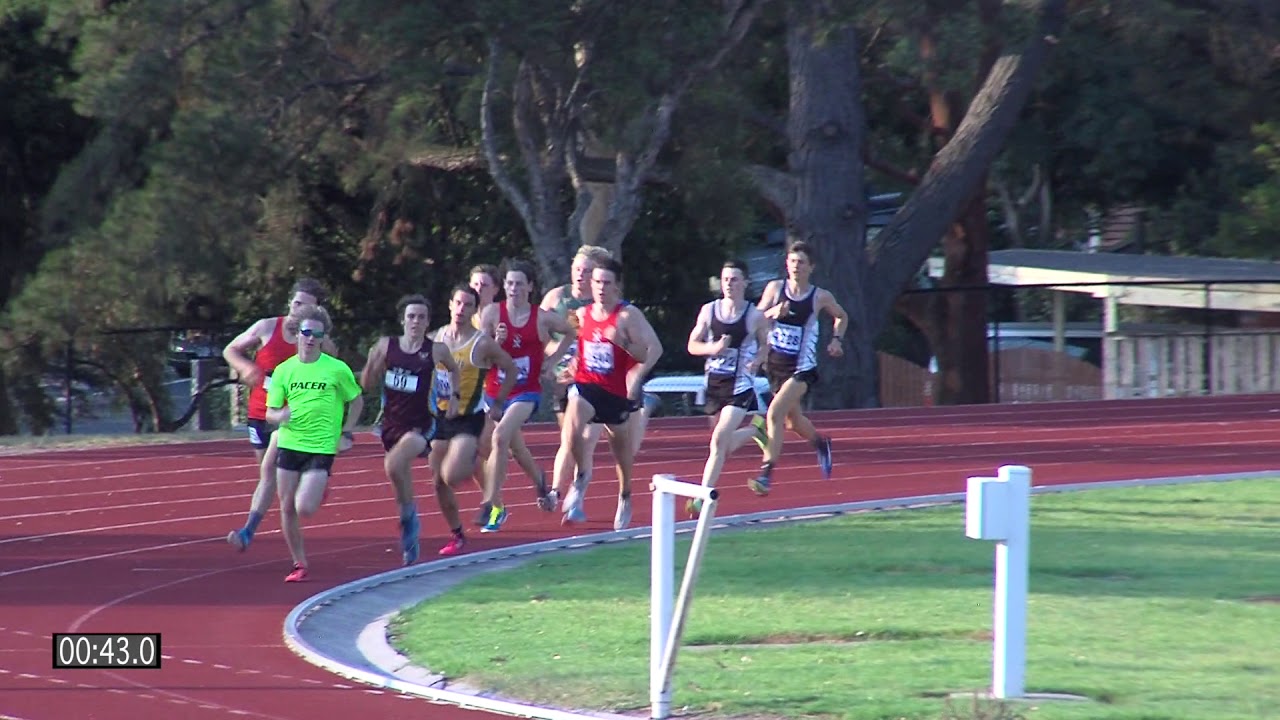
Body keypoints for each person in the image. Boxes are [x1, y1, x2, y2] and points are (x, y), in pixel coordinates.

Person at [541, 258, 663, 530]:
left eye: (607, 283)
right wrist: (562, 366)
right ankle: (582, 475)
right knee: (571, 428)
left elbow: (645, 352)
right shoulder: (582, 314)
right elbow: (577, 346)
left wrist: (623, 344)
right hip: (586, 385)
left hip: (616, 392)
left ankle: (625, 495)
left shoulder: (627, 316)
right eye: (597, 282)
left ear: (617, 286)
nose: (600, 287)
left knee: (622, 452)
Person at [222, 278, 340, 552]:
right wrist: (246, 367)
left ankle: (248, 531)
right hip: (260, 413)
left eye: (305, 307)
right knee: (270, 476)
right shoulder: (266, 327)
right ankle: (316, 475)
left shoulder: (317, 340)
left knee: (269, 471)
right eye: (296, 304)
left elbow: (334, 371)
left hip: (294, 418)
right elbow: (230, 349)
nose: (297, 311)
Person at [475, 259, 577, 532]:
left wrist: (553, 359)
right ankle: (540, 478)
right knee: (513, 447)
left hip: (526, 391)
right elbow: (480, 356)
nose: (514, 289)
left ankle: (494, 507)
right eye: (509, 283)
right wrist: (495, 343)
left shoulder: (541, 317)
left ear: (530, 286)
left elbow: (570, 331)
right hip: (496, 392)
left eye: (520, 283)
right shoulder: (491, 315)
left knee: (500, 437)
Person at [360, 294, 461, 566]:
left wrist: (454, 396)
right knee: (399, 473)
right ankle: (410, 522)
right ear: (403, 320)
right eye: (411, 316)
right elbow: (366, 383)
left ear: (428, 321)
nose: (415, 321)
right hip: (391, 424)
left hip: (422, 424)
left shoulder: (436, 350)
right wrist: (371, 363)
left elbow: (453, 370)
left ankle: (408, 519)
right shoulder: (386, 346)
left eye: (421, 317)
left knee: (393, 465)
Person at [264, 305, 363, 582]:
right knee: (286, 506)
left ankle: (318, 489)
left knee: (304, 507)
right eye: (306, 332)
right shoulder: (284, 371)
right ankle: (299, 563)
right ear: (297, 334)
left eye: (316, 334)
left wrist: (347, 430)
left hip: (321, 445)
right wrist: (280, 414)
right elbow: (270, 412)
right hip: (290, 442)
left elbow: (356, 401)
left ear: (322, 338)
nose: (310, 338)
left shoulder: (336, 369)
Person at [749, 240, 848, 496]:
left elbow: (841, 316)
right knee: (792, 422)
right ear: (786, 264)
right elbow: (755, 319)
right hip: (775, 366)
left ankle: (766, 475)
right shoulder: (775, 289)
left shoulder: (819, 296)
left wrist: (836, 339)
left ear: (811, 267)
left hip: (802, 368)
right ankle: (821, 443)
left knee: (774, 414)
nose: (795, 267)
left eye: (801, 262)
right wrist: (774, 312)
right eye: (792, 261)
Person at [429, 285, 518, 556]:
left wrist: (499, 402)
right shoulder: (436, 338)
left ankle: (472, 460)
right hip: (441, 417)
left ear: (474, 310)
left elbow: (510, 368)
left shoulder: (482, 343)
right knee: (437, 482)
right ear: (449, 304)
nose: (461, 309)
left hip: (469, 418)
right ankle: (457, 534)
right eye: (458, 303)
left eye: (468, 305)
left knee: (452, 474)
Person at [684, 259, 770, 518]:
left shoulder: (754, 316)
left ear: (745, 282)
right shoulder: (709, 311)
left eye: (734, 279)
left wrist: (758, 360)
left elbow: (766, 345)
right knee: (719, 446)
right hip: (714, 384)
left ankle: (703, 497)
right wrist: (712, 349)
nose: (729, 284)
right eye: (725, 280)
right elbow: (692, 345)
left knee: (719, 440)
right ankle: (756, 428)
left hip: (740, 384)